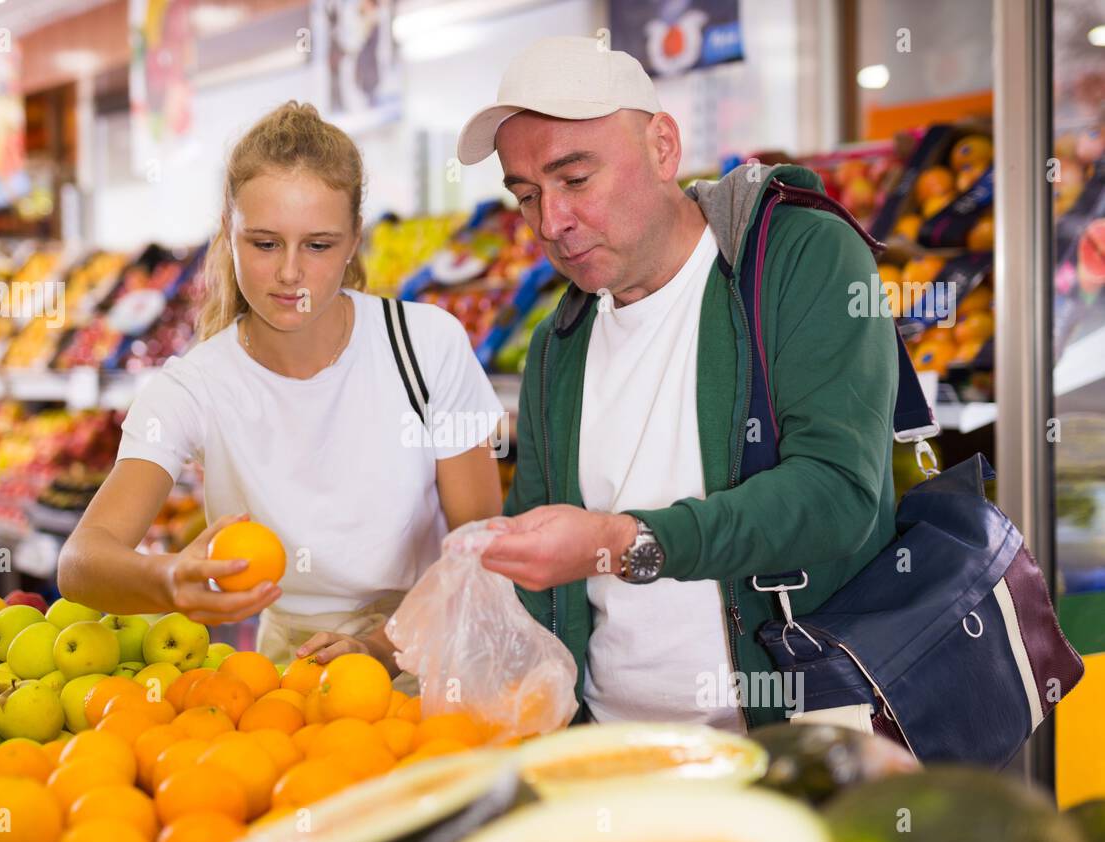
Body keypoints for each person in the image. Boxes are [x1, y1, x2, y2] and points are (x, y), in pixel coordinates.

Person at [462, 37, 899, 731]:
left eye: (575, 180)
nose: (552, 222)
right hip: (612, 751)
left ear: (663, 147)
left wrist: (625, 541)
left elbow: (835, 495)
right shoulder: (556, 347)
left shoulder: (801, 257)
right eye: (526, 196)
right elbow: (542, 574)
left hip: (791, 737)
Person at [58, 101, 504, 686]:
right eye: (265, 244)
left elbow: (478, 551)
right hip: (288, 672)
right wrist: (168, 580)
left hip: (429, 651)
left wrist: (377, 649)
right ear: (229, 234)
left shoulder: (427, 345)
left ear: (352, 244)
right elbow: (80, 561)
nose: (290, 273)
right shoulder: (194, 387)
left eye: (318, 246)